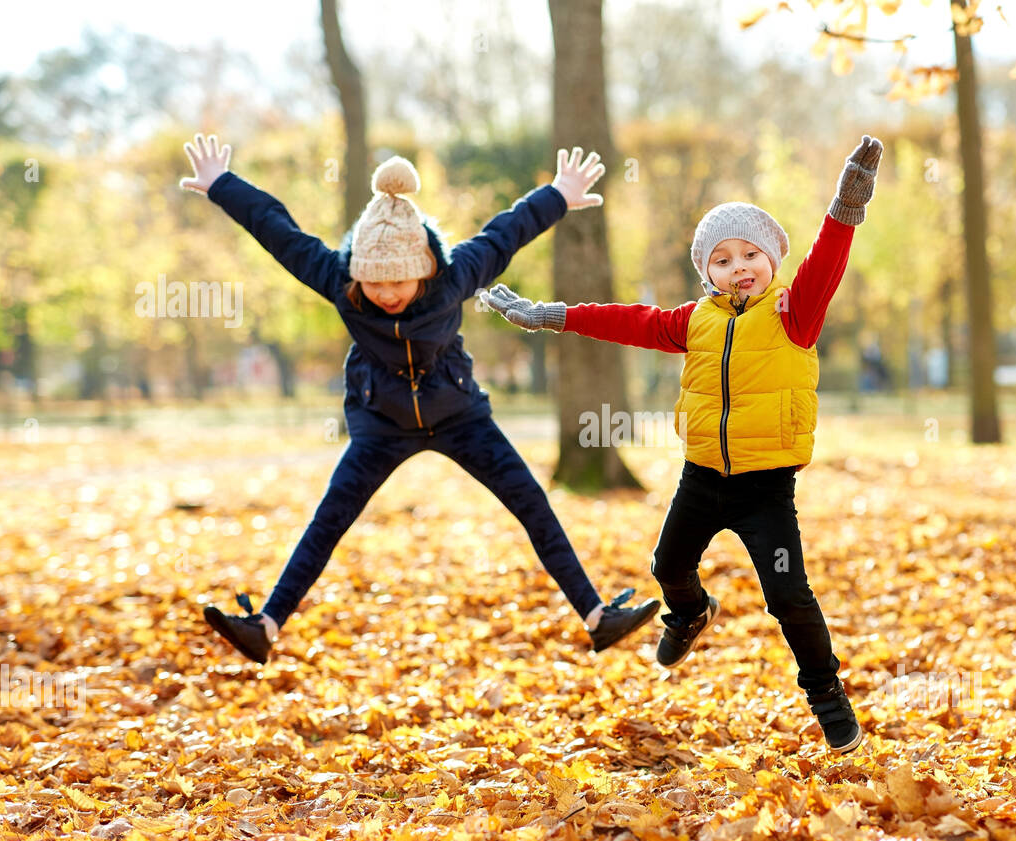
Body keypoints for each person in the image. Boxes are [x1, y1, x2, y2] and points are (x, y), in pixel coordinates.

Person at [179, 134, 660, 664]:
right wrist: (222, 185)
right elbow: (281, 233)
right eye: (374, 283)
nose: (386, 295)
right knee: (331, 517)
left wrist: (560, 193)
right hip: (380, 423)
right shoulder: (341, 283)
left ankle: (597, 616)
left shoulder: (455, 277)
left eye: (398, 283)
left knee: (531, 502)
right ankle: (265, 626)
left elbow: (505, 233)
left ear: (425, 266)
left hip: (459, 416)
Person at [480, 135, 883, 753]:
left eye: (751, 253)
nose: (738, 266)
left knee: (788, 595)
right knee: (667, 565)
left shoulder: (793, 315)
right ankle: (690, 612)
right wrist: (551, 314)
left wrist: (846, 204)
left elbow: (827, 262)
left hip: (764, 488)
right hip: (702, 478)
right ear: (707, 272)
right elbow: (626, 319)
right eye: (722, 259)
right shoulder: (693, 322)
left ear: (773, 260)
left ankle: (826, 693)